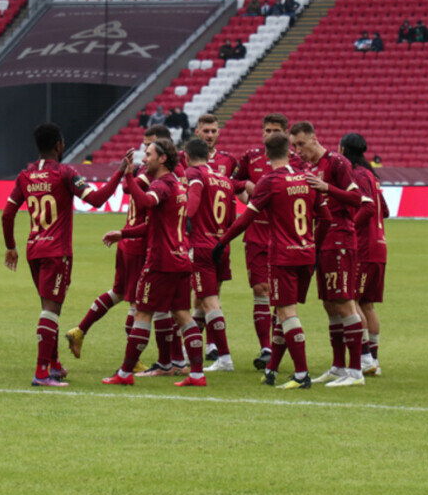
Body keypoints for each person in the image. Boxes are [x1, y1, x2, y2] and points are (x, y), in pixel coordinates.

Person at [2, 123, 128, 386]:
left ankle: (54, 364)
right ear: (59, 145)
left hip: (34, 250)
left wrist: (10, 246)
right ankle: (41, 373)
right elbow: (96, 199)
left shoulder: (25, 176)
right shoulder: (65, 173)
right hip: (56, 252)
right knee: (51, 310)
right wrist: (119, 173)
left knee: (49, 306)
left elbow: (7, 213)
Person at [213, 131, 318, 389]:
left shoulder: (270, 181)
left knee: (286, 312)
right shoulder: (305, 178)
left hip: (283, 255)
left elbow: (245, 219)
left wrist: (222, 242)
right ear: (289, 150)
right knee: (282, 311)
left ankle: (302, 374)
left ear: (266, 153)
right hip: (307, 252)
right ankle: (271, 370)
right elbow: (321, 214)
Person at [101, 137, 207, 387]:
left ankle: (125, 373)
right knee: (182, 314)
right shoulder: (178, 186)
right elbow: (152, 224)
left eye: (148, 154)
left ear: (162, 159)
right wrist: (123, 233)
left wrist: (128, 176)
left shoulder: (163, 184)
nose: (143, 159)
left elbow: (145, 202)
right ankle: (197, 374)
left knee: (143, 312)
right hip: (181, 258)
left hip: (161, 261)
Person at [68, 126, 166, 369]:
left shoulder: (152, 173)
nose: (145, 153)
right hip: (137, 244)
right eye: (145, 147)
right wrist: (132, 174)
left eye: (149, 147)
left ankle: (80, 331)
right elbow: (127, 188)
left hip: (127, 241)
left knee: (118, 293)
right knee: (138, 304)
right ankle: (133, 362)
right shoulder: (150, 174)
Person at [291, 121, 369, 388]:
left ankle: (356, 370)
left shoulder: (336, 163)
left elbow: (358, 198)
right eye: (294, 146)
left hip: (340, 239)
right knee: (329, 304)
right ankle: (338, 366)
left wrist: (326, 189)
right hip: (320, 241)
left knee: (345, 302)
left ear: (314, 138)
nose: (298, 150)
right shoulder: (307, 168)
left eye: (301, 144)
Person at [233, 112, 306, 369]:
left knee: (281, 297)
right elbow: (234, 181)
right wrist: (246, 191)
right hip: (256, 232)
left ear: (285, 134)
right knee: (260, 289)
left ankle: (277, 351)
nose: (270, 135)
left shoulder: (296, 161)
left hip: (284, 235)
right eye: (267, 130)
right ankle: (265, 347)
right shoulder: (250, 157)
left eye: (275, 130)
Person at [181, 138, 243, 373]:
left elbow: (194, 199)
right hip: (221, 245)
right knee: (202, 299)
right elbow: (231, 219)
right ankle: (191, 350)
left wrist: (186, 222)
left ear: (187, 156)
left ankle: (225, 356)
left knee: (209, 301)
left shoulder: (194, 173)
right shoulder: (225, 180)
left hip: (201, 245)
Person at [341, 133, 386, 376]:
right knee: (366, 304)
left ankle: (366, 358)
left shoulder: (357, 175)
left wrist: (350, 226)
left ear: (343, 149)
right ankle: (373, 360)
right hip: (379, 245)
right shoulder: (372, 175)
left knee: (352, 302)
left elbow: (368, 208)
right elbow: (384, 210)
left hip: (364, 247)